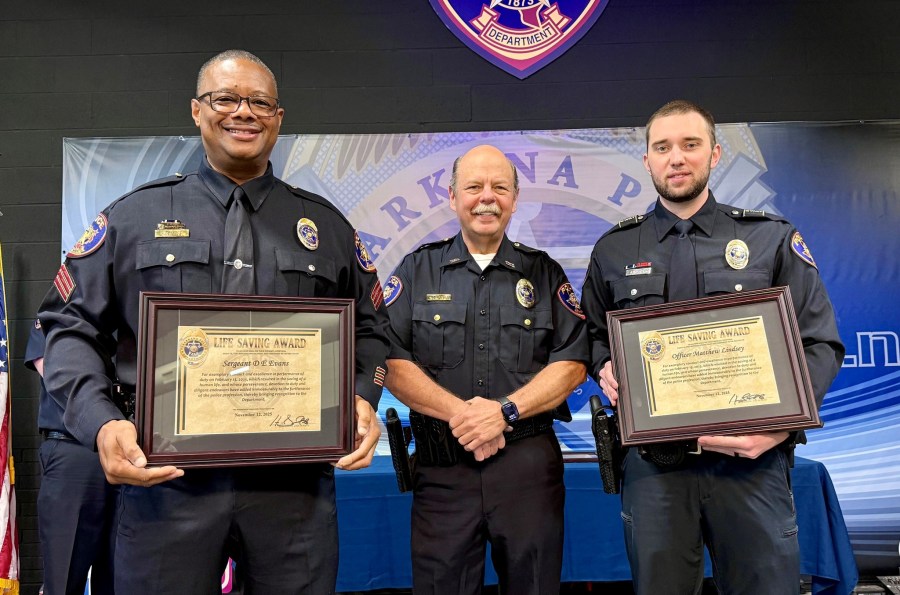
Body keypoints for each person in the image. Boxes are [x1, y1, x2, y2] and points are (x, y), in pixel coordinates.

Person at [37, 49, 390, 594]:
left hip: (292, 489)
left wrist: (363, 395)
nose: (243, 112)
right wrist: (101, 422)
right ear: (197, 111)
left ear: (278, 118)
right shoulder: (134, 217)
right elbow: (69, 326)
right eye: (226, 99)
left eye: (259, 103)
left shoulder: (327, 227)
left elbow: (371, 330)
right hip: (167, 484)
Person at [580, 100, 845, 594]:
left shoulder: (770, 239)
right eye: (662, 147)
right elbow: (592, 334)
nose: (675, 158)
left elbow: (820, 343)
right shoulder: (614, 249)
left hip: (751, 463)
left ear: (715, 153)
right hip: (656, 468)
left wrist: (779, 426)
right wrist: (604, 364)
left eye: (690, 145)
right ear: (647, 161)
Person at [384, 144, 589, 595]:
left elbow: (573, 363)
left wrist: (504, 412)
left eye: (499, 187)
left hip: (527, 471)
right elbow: (391, 360)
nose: (486, 197)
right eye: (474, 187)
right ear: (453, 197)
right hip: (443, 470)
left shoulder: (545, 273)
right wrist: (466, 417)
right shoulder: (417, 270)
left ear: (515, 199)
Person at [25, 318, 118, 595]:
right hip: (76, 452)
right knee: (64, 580)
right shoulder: (59, 313)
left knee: (123, 578)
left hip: (132, 457)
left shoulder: (133, 309)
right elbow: (61, 378)